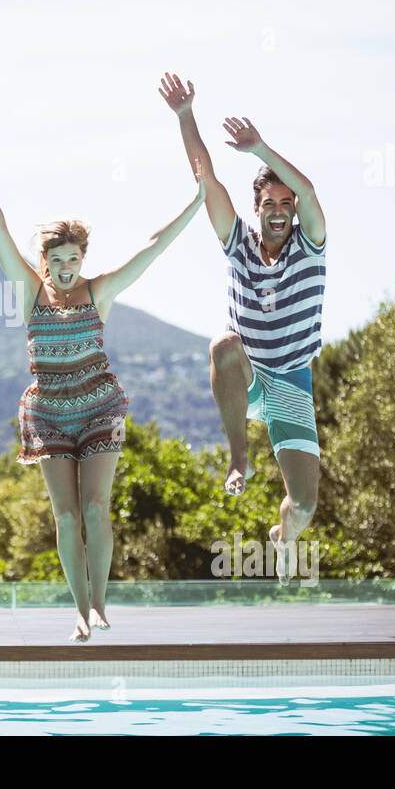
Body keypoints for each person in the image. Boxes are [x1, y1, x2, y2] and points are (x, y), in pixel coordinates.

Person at [0, 118, 205, 642]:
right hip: (48, 412)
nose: (65, 269)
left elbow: (152, 248)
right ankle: (80, 610)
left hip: (98, 406)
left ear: (83, 259)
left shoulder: (99, 292)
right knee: (66, 518)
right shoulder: (31, 292)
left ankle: (101, 604)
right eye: (56, 261)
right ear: (42, 263)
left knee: (94, 507)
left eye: (73, 260)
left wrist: (198, 202)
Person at [160, 72, 326, 586]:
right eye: (268, 204)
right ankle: (240, 457)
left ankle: (283, 537)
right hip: (250, 374)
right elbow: (206, 179)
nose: (278, 212)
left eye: (285, 204)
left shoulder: (311, 244)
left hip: (292, 383)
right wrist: (186, 116)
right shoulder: (239, 245)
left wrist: (261, 150)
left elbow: (310, 187)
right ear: (256, 211)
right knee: (224, 343)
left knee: (303, 504)